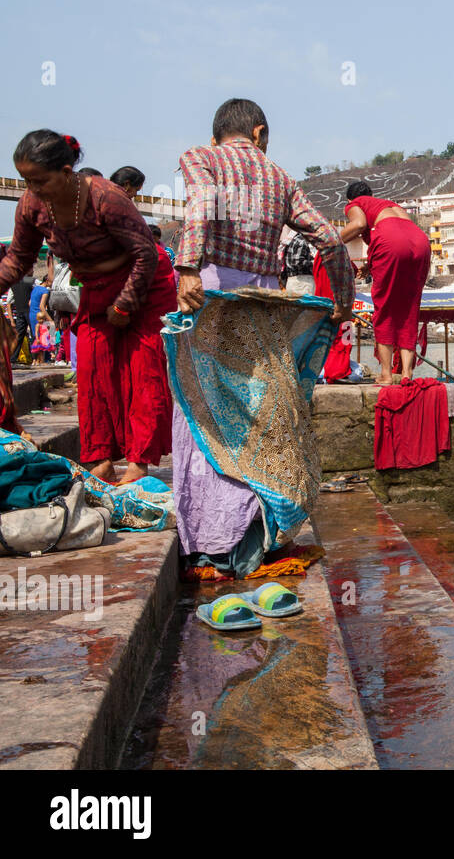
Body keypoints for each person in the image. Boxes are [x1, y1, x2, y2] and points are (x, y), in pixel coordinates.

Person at [173, 98, 353, 578]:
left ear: (217, 136)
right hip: (261, 311)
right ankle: (253, 533)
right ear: (260, 133)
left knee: (204, 417)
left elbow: (203, 203)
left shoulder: (201, 157)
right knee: (260, 420)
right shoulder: (280, 179)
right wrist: (344, 298)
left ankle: (212, 543)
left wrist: (187, 265)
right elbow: (332, 241)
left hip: (208, 306)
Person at [0, 131, 176, 484]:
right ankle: (99, 459)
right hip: (96, 289)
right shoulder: (32, 206)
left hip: (145, 281)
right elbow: (19, 259)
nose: (32, 189)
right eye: (26, 181)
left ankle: (139, 462)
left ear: (66, 172)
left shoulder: (105, 197)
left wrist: (125, 304)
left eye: (40, 180)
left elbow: (144, 253)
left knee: (142, 371)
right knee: (94, 372)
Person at [339, 181, 430, 384]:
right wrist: (370, 266)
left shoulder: (356, 204)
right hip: (421, 242)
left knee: (385, 308)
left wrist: (330, 241)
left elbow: (360, 224)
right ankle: (407, 374)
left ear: (350, 199)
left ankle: (387, 374)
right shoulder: (388, 204)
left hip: (390, 241)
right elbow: (401, 239)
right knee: (410, 309)